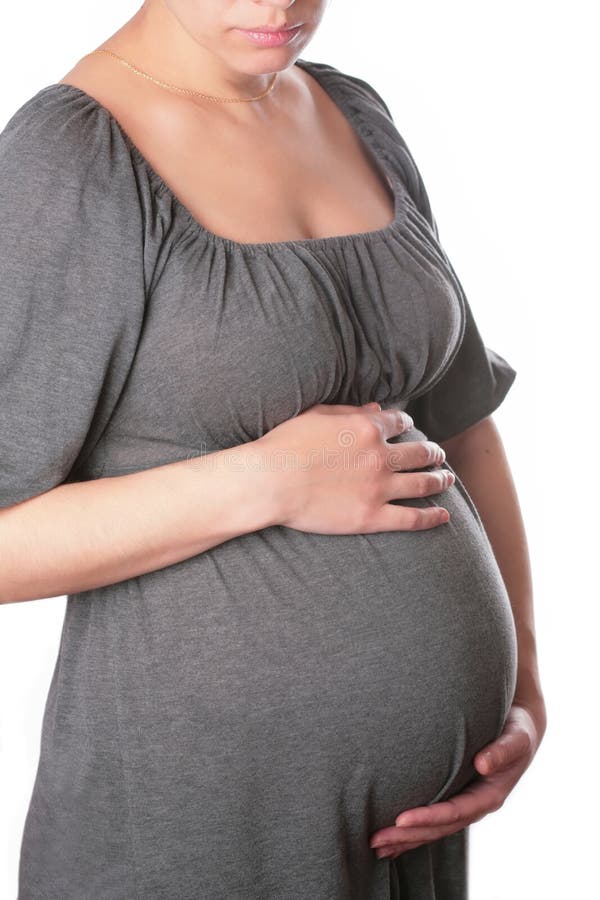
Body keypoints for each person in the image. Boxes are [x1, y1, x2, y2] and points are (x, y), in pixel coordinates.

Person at [0, 0, 547, 897]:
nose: (277, 5)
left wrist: (523, 681)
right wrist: (268, 481)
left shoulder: (353, 114)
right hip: (195, 824)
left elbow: (462, 422)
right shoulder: (70, 161)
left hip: (410, 842)